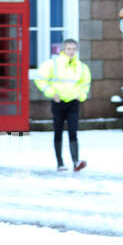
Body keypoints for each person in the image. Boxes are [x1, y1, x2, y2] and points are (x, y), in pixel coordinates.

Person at [34, 38, 91, 171]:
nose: (71, 51)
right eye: (69, 48)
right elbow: (40, 79)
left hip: (73, 103)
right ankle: (60, 163)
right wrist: (51, 93)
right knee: (58, 131)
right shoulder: (52, 64)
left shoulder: (81, 67)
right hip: (58, 102)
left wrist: (81, 96)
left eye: (74, 49)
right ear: (63, 50)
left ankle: (76, 162)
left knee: (73, 131)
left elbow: (85, 83)